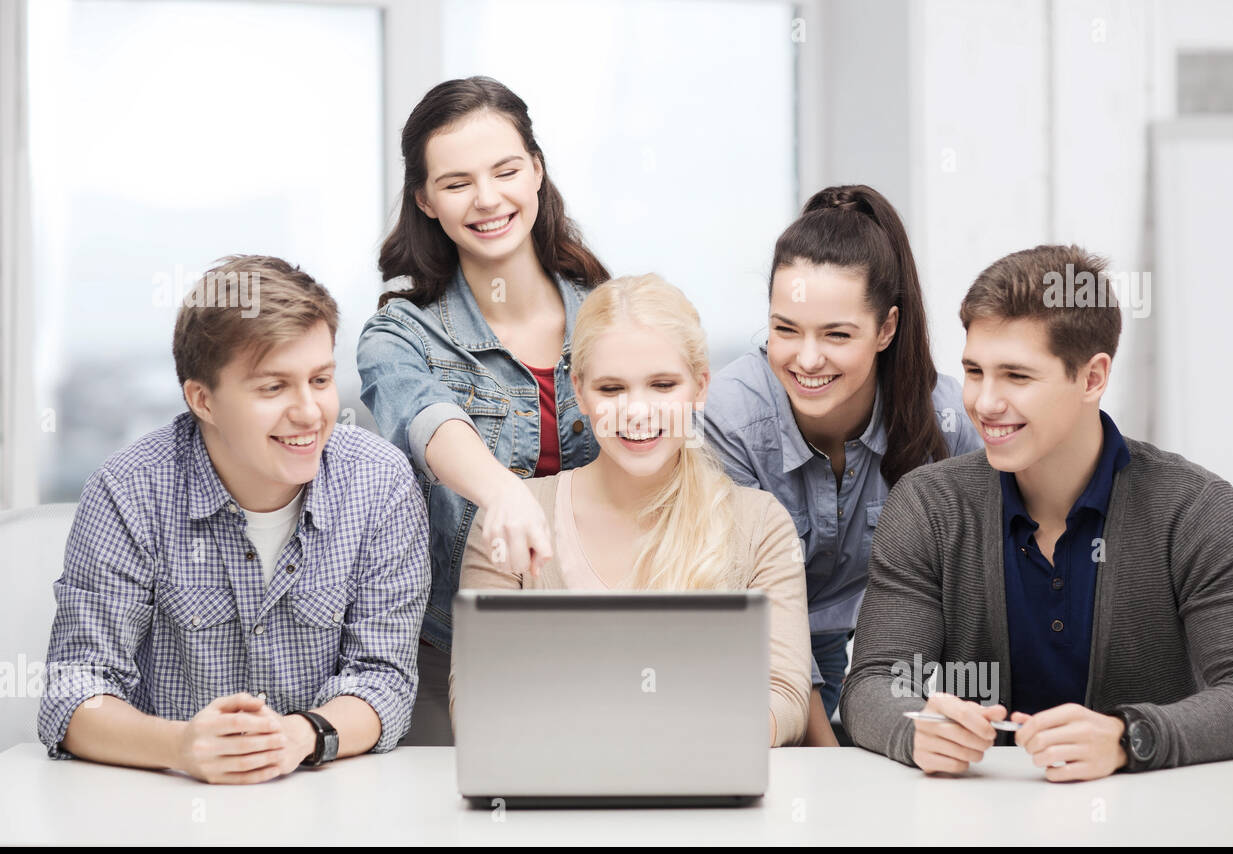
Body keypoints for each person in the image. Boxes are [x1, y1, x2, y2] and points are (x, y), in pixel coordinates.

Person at [840, 244, 1233, 780]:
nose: (984, 403)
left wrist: (1129, 738)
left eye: (1016, 376)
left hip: (1158, 824)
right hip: (975, 818)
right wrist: (914, 728)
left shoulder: (1195, 509)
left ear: (1092, 378)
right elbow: (872, 682)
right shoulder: (927, 507)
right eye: (974, 371)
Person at [38, 255, 430, 783]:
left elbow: (383, 680)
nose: (309, 412)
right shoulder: (128, 489)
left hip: (325, 802)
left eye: (319, 380)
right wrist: (182, 746)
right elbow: (75, 690)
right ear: (203, 399)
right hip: (159, 802)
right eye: (273, 388)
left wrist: (298, 737)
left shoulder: (380, 482)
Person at [357, 76, 609, 744]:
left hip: (611, 646)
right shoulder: (399, 335)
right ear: (425, 200)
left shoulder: (612, 312)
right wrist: (503, 492)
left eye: (506, 171)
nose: (488, 198)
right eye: (457, 182)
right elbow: (430, 422)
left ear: (537, 172)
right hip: (455, 656)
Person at [456, 274, 812, 746]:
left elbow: (785, 698)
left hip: (703, 795)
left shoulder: (761, 525)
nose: (638, 411)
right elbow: (476, 703)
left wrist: (679, 741)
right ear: (578, 392)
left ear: (700, 385)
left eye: (663, 385)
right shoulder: (511, 519)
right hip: (553, 802)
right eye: (611, 389)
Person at [699, 185, 981, 745]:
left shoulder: (944, 417)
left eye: (836, 335)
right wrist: (833, 760)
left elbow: (978, 586)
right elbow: (746, 605)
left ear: (886, 329)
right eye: (785, 329)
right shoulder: (732, 414)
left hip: (899, 657)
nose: (806, 359)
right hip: (766, 660)